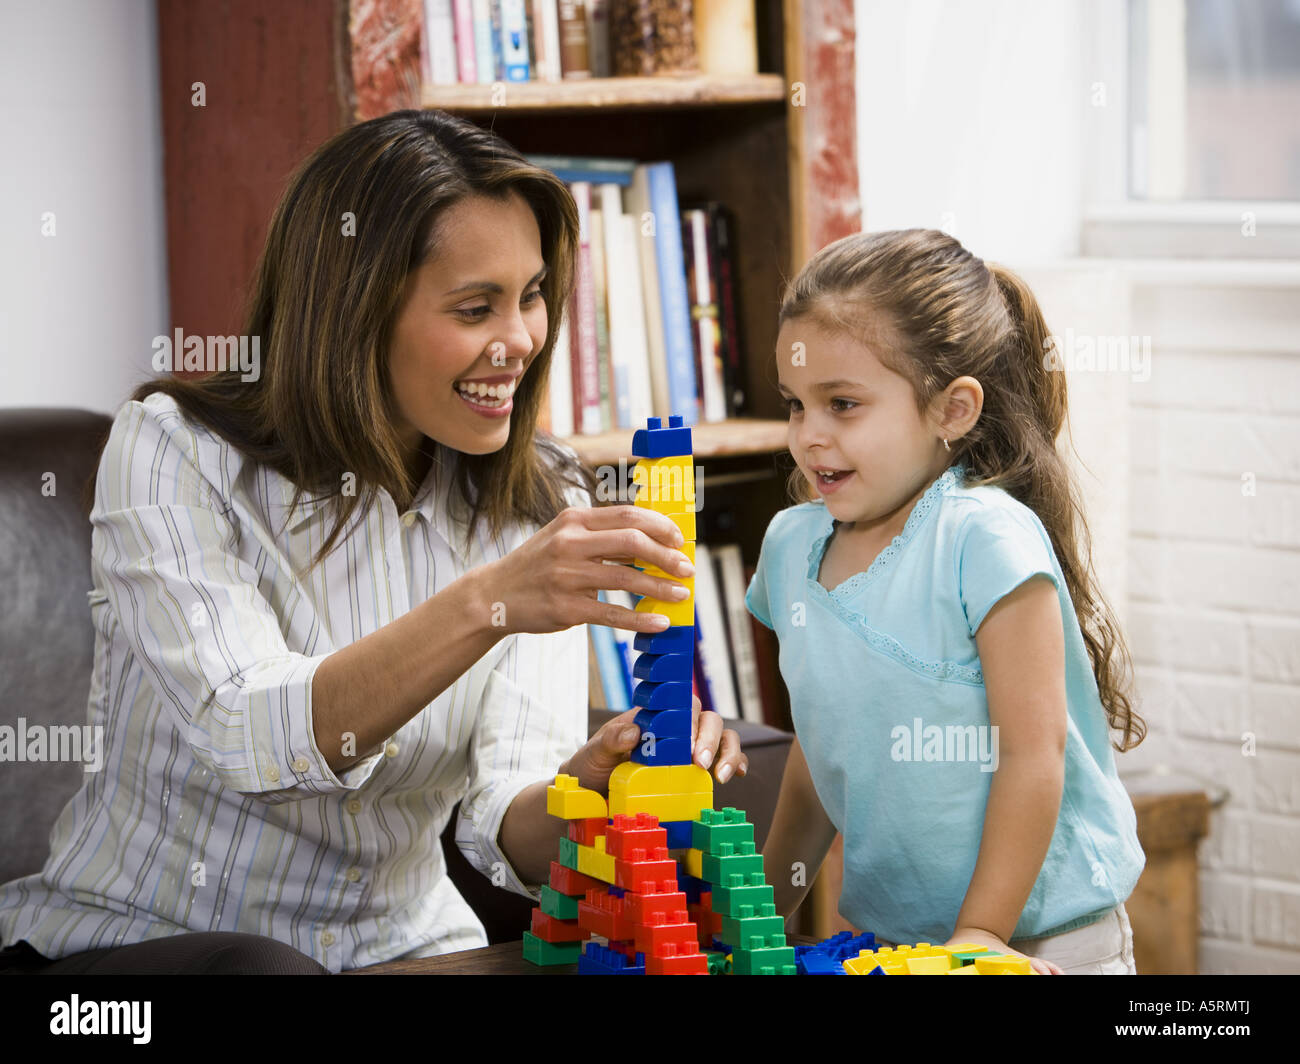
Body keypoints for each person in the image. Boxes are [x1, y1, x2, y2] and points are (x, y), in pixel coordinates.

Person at [0, 109, 746, 975]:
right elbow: (251, 735)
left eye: (533, 295)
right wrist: (489, 602)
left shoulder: (537, 494)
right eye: (477, 307)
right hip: (141, 953)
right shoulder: (174, 451)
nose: (521, 341)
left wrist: (605, 788)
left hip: (408, 954)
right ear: (355, 309)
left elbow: (508, 823)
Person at [751, 228, 1145, 975]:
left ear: (952, 410)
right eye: (795, 405)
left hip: (1035, 943)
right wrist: (760, 911)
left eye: (842, 404)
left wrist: (981, 936)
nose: (809, 436)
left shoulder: (985, 540)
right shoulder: (789, 547)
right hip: (894, 949)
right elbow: (820, 750)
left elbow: (1035, 754)